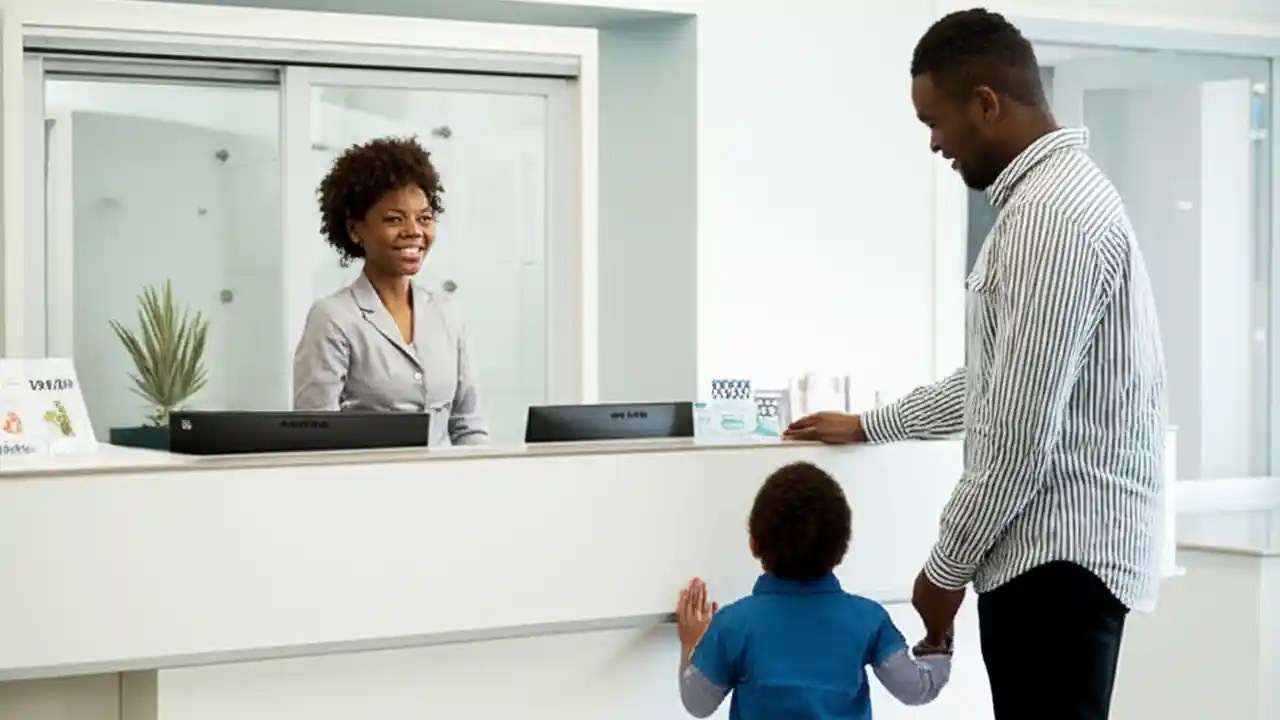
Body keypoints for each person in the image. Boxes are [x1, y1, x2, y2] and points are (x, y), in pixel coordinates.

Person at [784, 9, 1167, 720]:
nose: (933, 142)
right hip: (1050, 556)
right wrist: (870, 424)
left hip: (1056, 559)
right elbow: (995, 382)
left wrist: (944, 569)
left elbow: (1019, 431)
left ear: (986, 103)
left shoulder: (1052, 218)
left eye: (936, 120)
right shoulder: (1044, 204)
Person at [674, 461, 952, 719]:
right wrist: (937, 640)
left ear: (753, 543)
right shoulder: (868, 620)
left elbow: (697, 703)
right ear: (842, 549)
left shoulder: (733, 625)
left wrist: (693, 641)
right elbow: (916, 689)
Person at [293, 136, 489, 447]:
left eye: (424, 218)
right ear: (355, 230)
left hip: (447, 490)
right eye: (394, 219)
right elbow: (315, 438)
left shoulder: (448, 314)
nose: (414, 231)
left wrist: (481, 485)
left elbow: (468, 423)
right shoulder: (333, 318)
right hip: (367, 490)